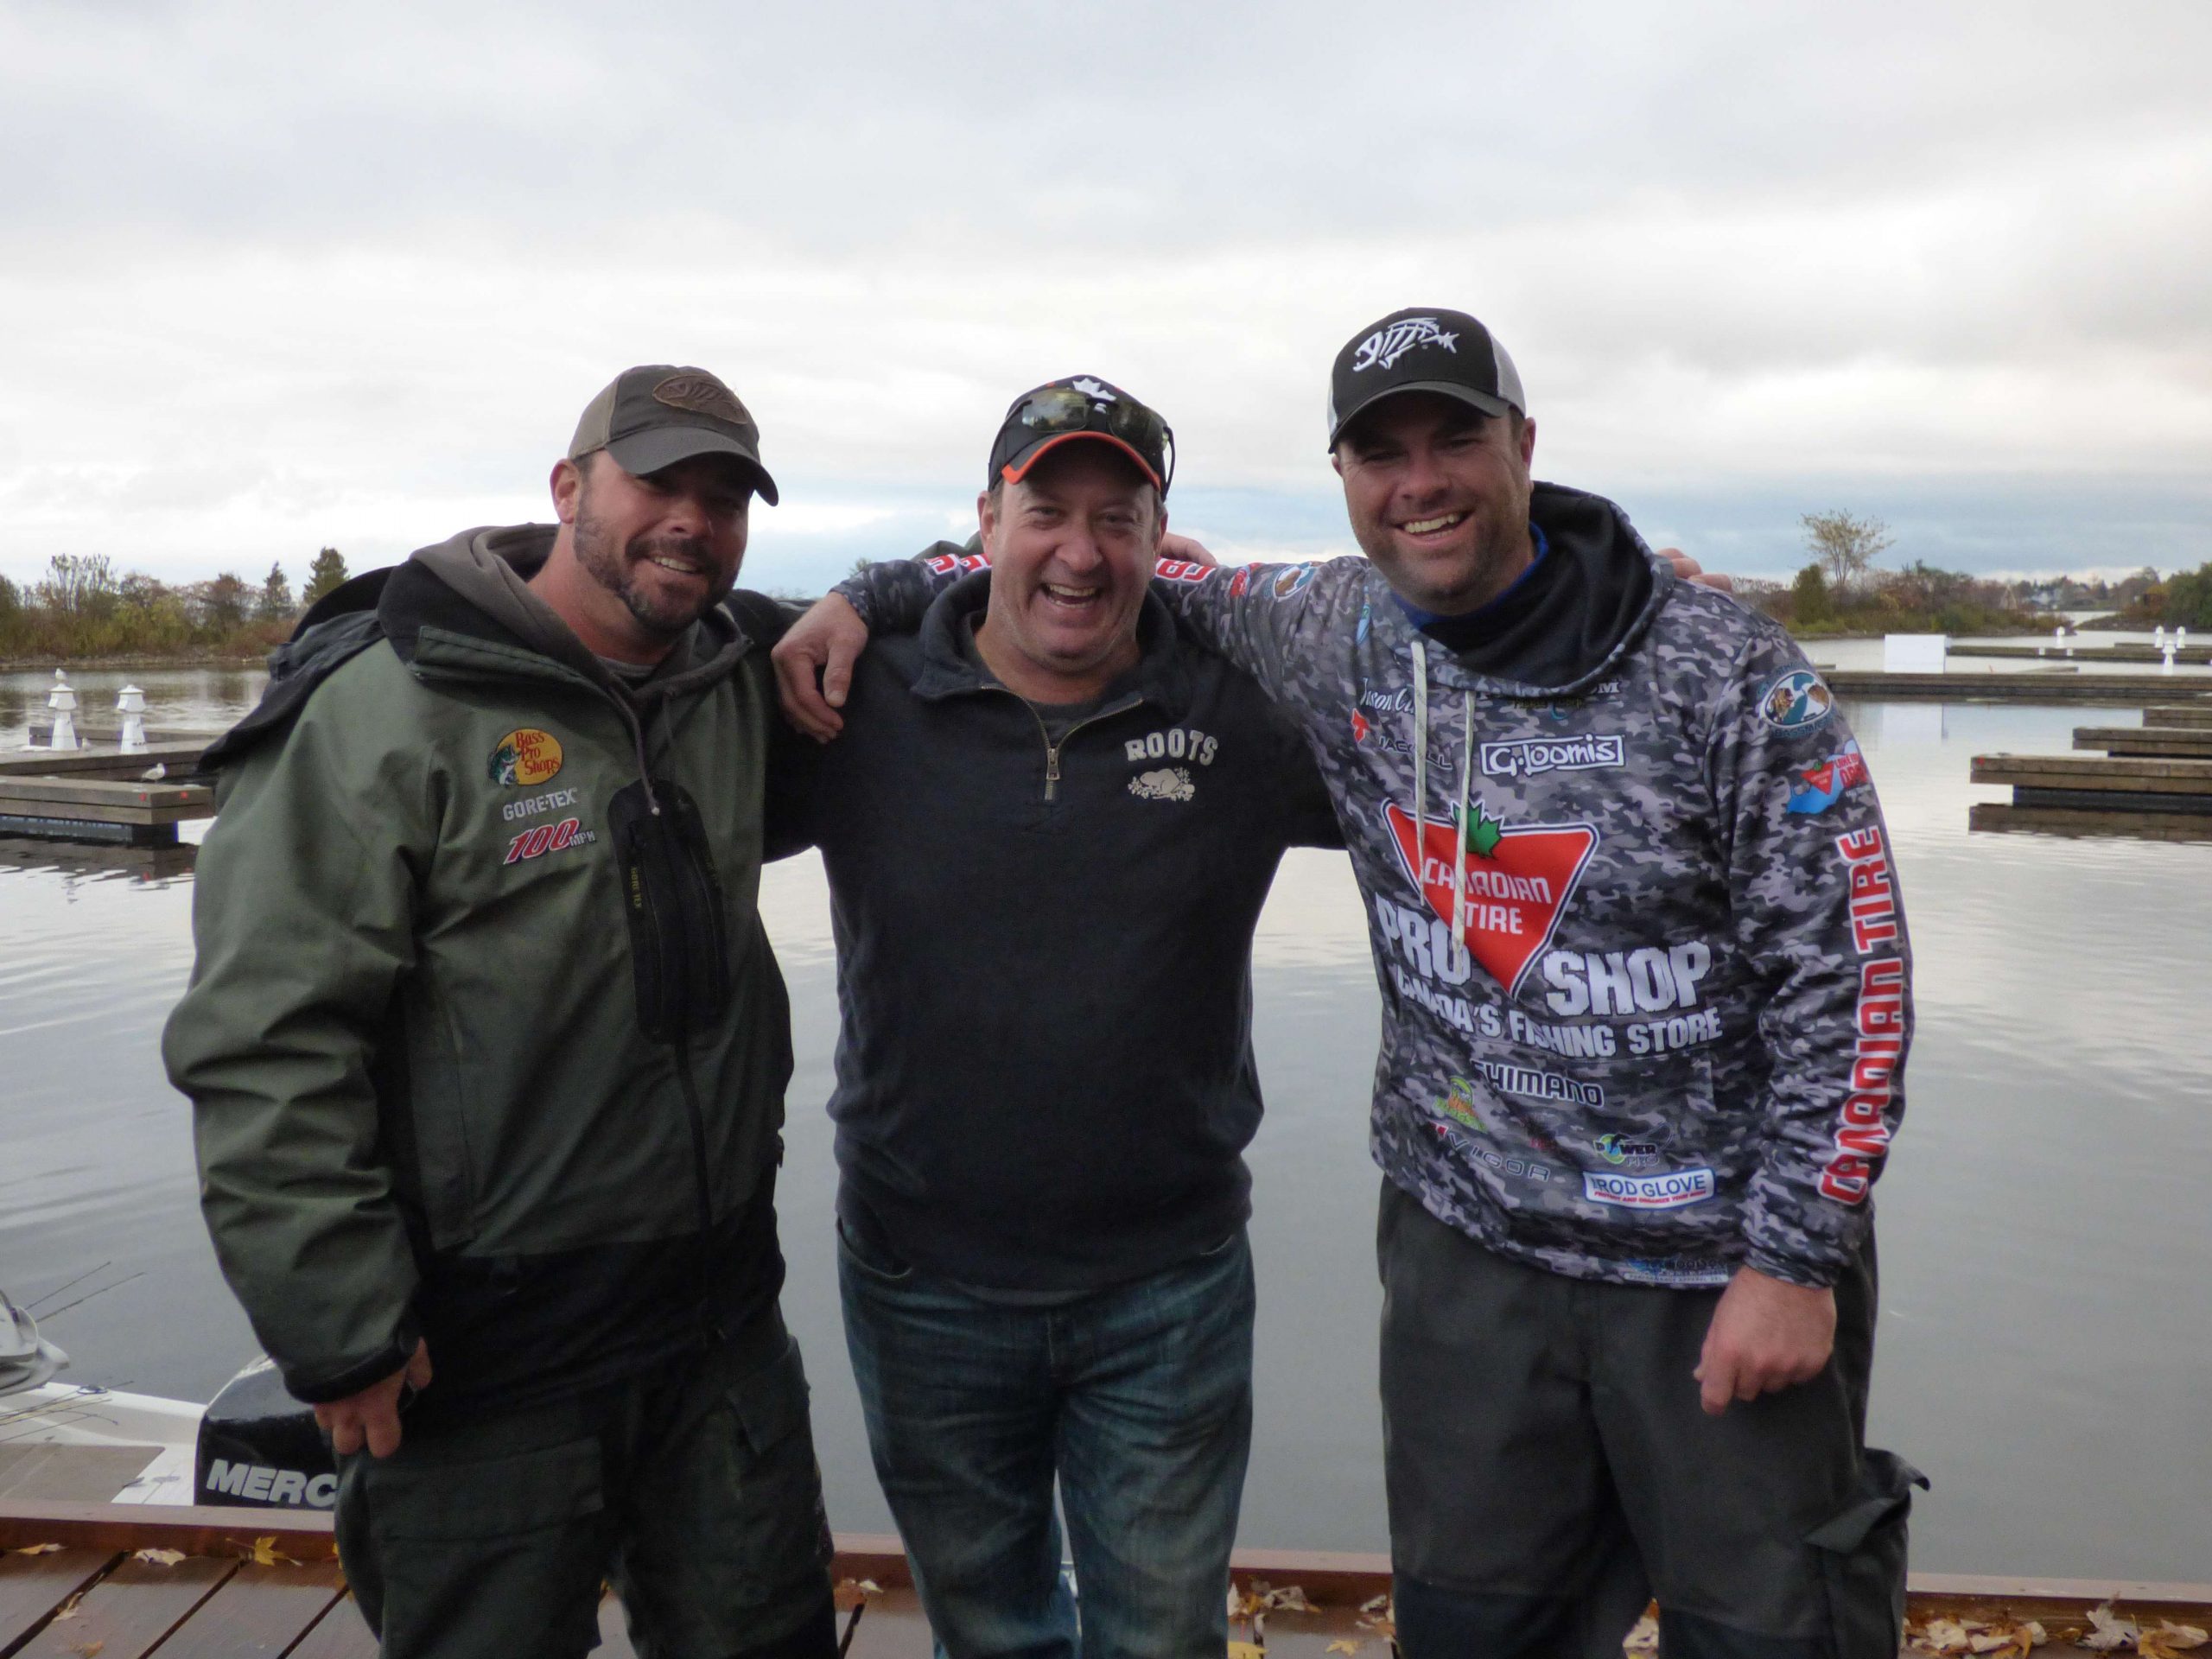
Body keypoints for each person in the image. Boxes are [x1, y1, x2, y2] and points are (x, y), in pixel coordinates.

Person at [780, 310, 1919, 1658]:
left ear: (1525, 448)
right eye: (1382, 451)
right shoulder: (1329, 628)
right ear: (1345, 478)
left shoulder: (1718, 664)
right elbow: (1047, 565)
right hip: (1466, 1256)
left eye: (1455, 440)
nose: (1419, 479)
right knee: (1471, 1630)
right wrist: (871, 587)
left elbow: (1852, 985)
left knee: (1769, 1628)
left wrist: (1794, 1256)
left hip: (1712, 1261)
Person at [162, 365, 837, 1659]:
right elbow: (266, 1040)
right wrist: (340, 1323)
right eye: (659, 484)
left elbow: (960, 622)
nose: (693, 520)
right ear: (570, 488)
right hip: (479, 1365)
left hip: (718, 1330)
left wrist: (1162, 587)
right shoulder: (384, 709)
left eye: (724, 495)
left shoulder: (735, 680)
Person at [766, 377, 1342, 1659]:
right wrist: (873, 587)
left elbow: (1453, 681)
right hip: (922, 1283)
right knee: (993, 1632)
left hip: (1170, 1291)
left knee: (1158, 1639)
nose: (1079, 552)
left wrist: (1622, 603)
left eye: (1119, 517)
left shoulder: (1242, 713)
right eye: (1048, 512)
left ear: (1161, 538)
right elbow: (622, 656)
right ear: (987, 520)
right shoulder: (849, 701)